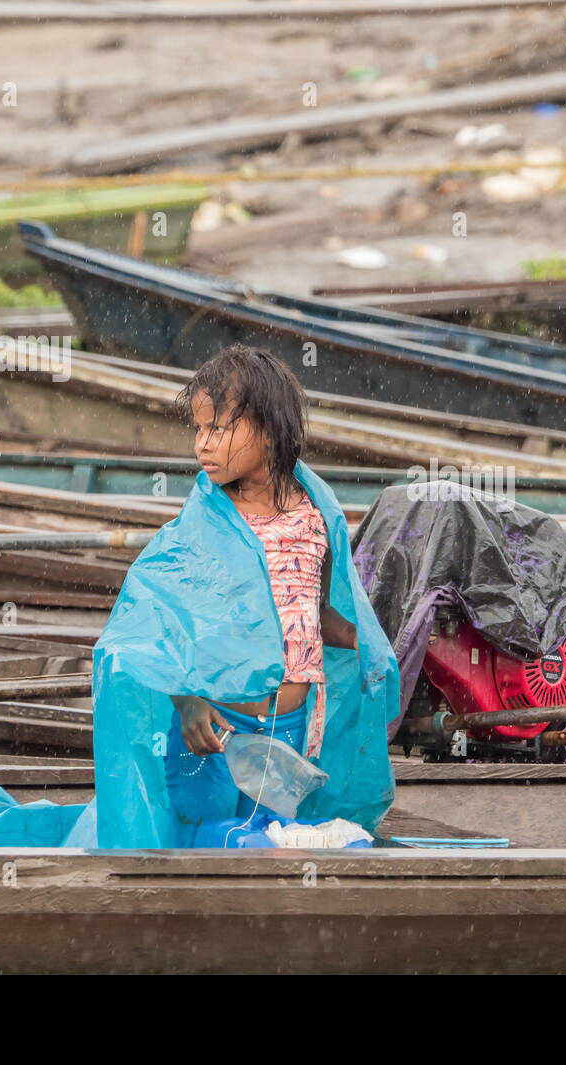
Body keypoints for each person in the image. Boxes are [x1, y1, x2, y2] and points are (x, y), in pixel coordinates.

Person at [90, 344, 399, 848]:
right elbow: (148, 632)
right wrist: (187, 700)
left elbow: (312, 614)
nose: (201, 445)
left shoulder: (315, 515)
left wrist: (370, 645)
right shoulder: (203, 526)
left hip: (290, 725)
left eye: (217, 428)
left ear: (270, 429)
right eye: (198, 429)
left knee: (273, 835)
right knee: (199, 837)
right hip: (215, 724)